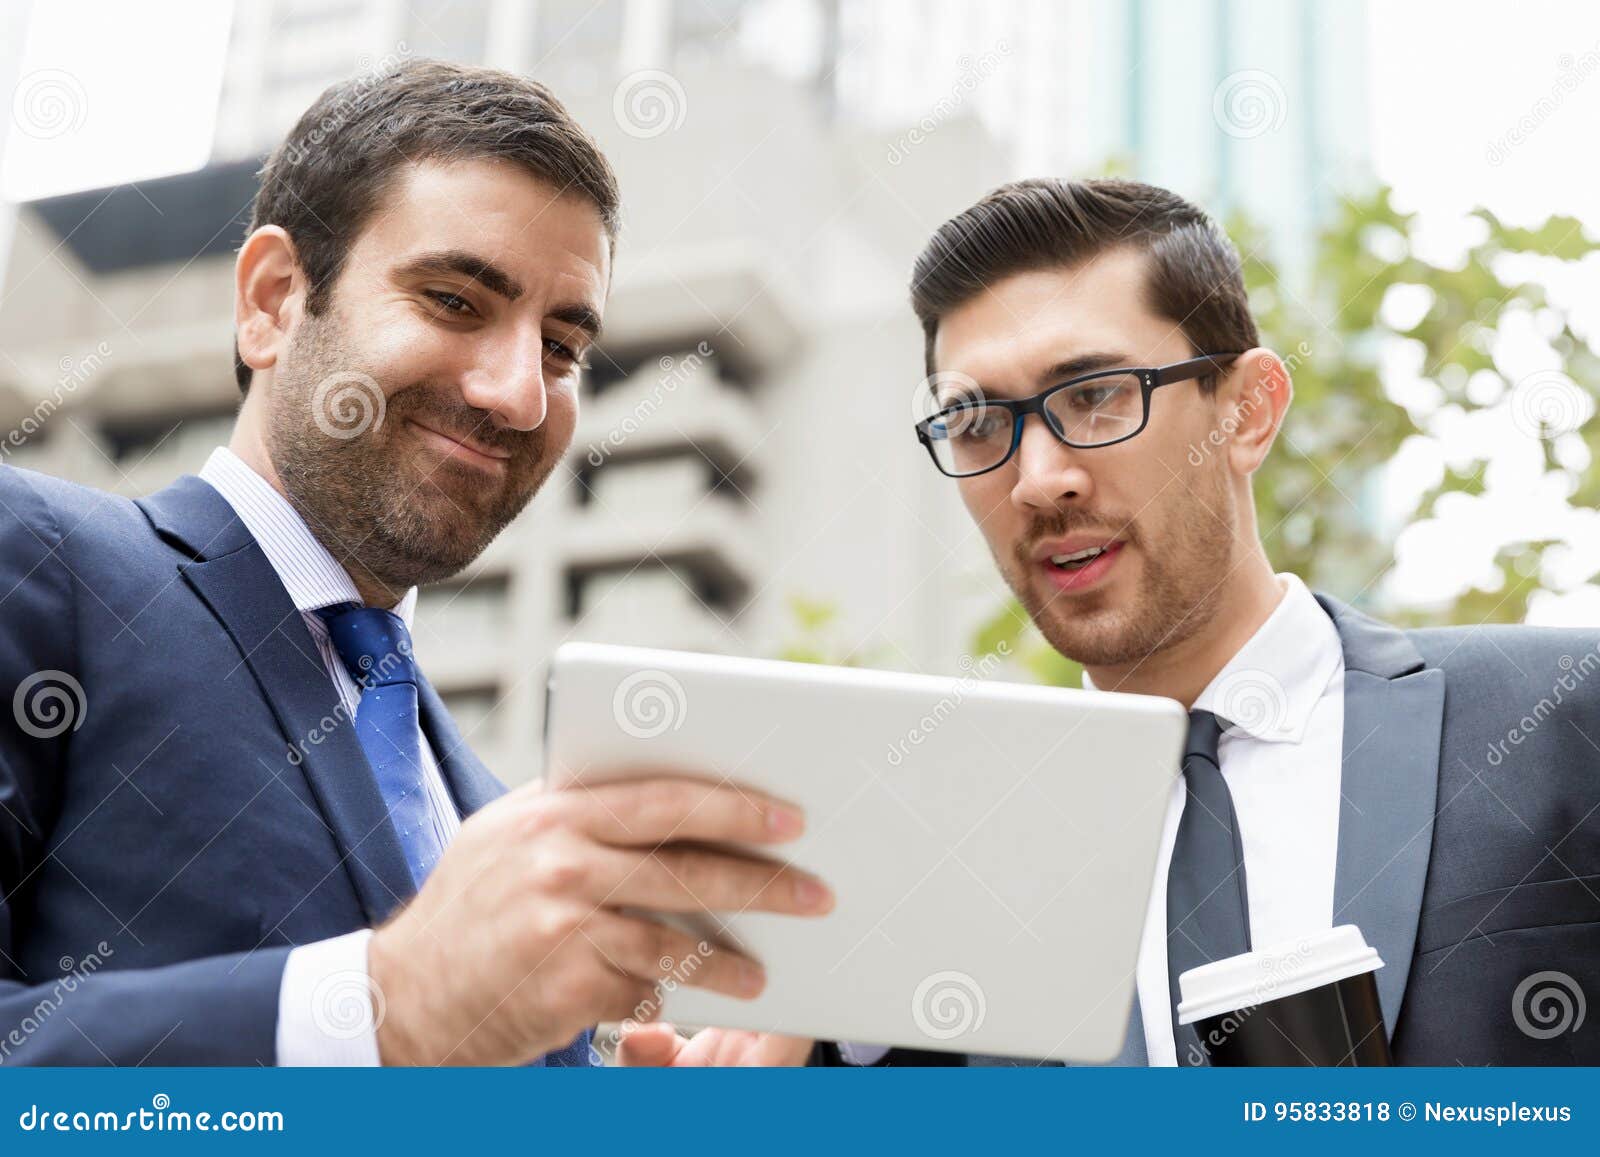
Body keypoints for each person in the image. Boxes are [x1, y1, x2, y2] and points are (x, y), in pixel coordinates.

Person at [620, 178, 1600, 1067]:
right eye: (976, 424)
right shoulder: (924, 893)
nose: (1039, 479)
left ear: (1248, 410)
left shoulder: (1560, 719)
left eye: (1092, 397)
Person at [0, 59, 834, 1067]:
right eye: (452, 299)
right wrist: (384, 1004)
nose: (520, 392)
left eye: (564, 350)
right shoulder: (39, 564)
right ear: (271, 301)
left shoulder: (489, 806)